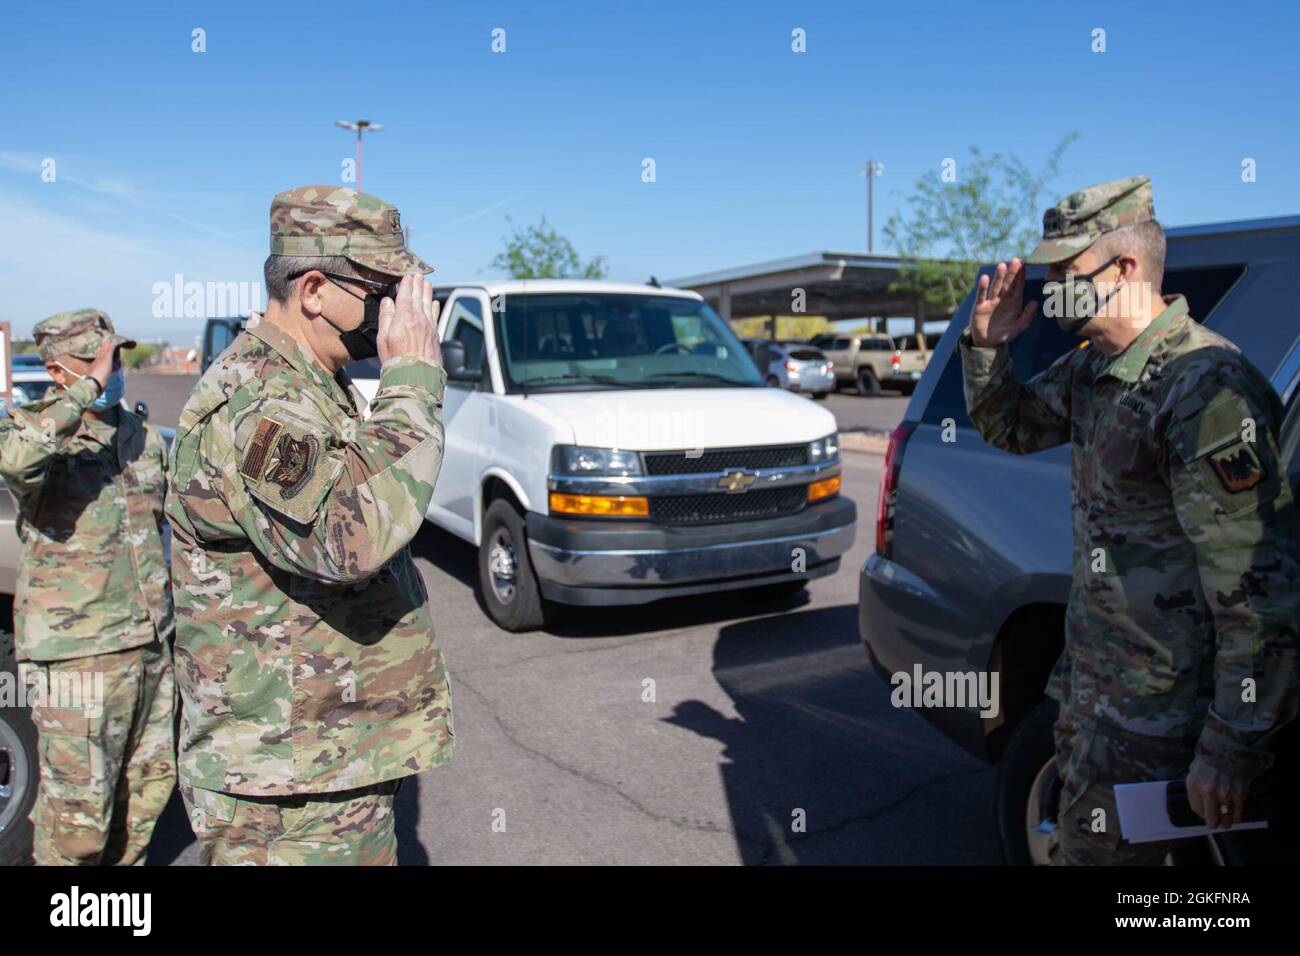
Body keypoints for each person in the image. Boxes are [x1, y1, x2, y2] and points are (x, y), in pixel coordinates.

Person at [960, 176, 1300, 864]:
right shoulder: (1095, 368)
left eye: (1067, 271)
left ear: (1125, 268)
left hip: (1166, 720)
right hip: (1094, 692)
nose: (1054, 285)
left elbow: (1258, 587)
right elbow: (1013, 427)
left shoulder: (1203, 387)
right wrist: (987, 349)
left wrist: (1231, 744)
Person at [164, 186, 452, 865]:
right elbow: (348, 539)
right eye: (382, 290)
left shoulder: (308, 380)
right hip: (285, 785)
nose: (397, 311)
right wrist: (413, 378)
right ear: (315, 289)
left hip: (320, 760)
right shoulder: (262, 398)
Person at [0, 309, 175, 865]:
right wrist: (85, 393)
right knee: (76, 827)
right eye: (96, 360)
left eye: (117, 356)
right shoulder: (36, 433)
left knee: (142, 803)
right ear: (58, 371)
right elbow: (14, 458)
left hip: (148, 650)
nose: (113, 368)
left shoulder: (142, 437)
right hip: (77, 661)